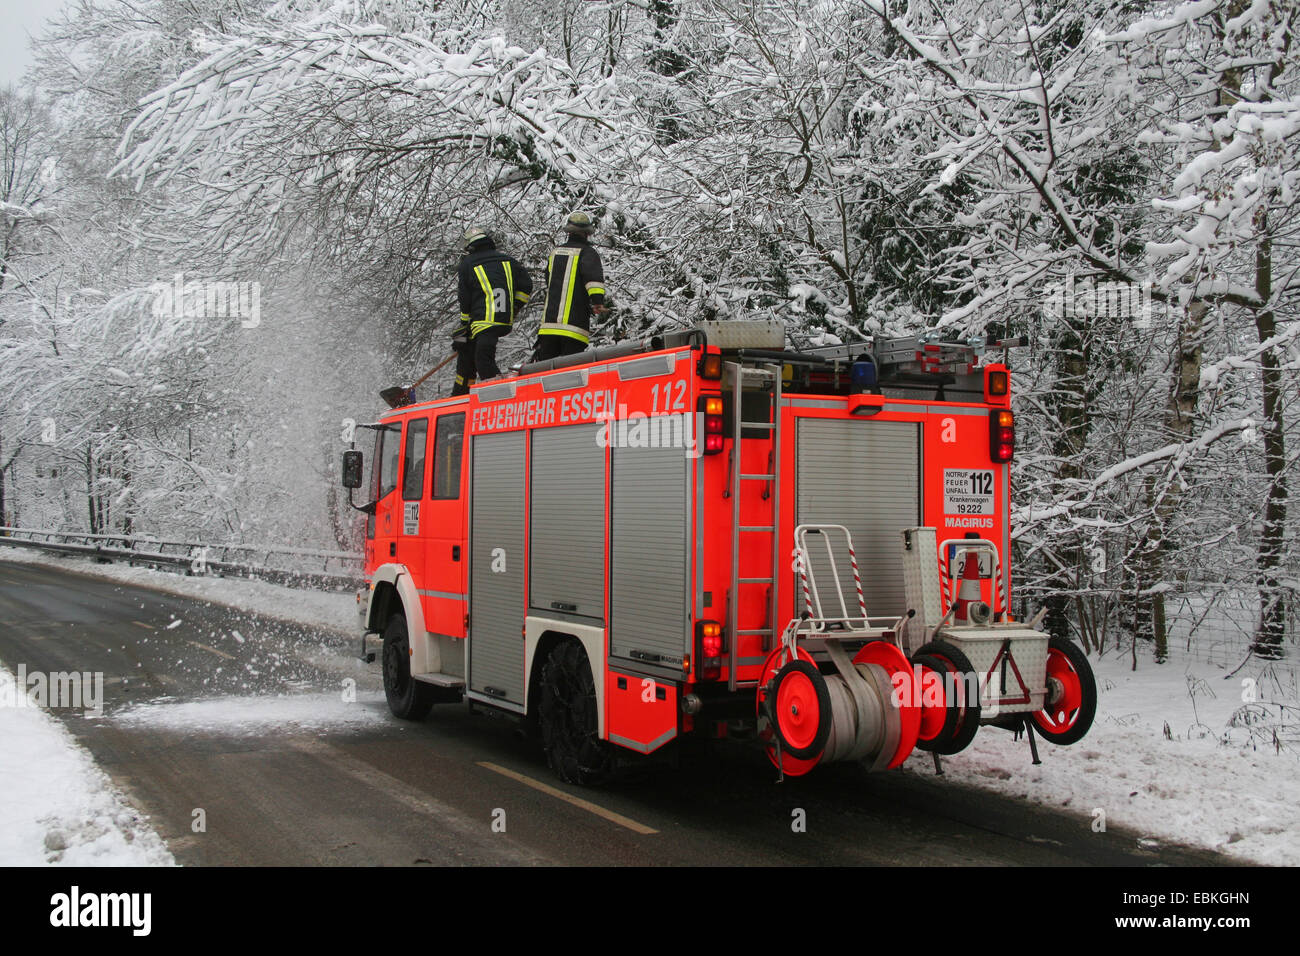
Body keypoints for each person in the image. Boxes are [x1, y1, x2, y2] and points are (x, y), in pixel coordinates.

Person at [452, 226, 533, 396]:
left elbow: (464, 298)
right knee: (470, 354)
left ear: (470, 247)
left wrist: (464, 325)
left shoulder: (467, 264)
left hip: (483, 320)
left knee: (483, 358)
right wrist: (515, 307)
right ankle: (460, 394)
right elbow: (527, 285)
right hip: (503, 319)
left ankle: (499, 394)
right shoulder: (508, 260)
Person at [532, 211, 608, 363]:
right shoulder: (588, 253)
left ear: (569, 232)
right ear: (587, 234)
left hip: (549, 325)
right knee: (570, 370)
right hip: (574, 326)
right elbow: (594, 281)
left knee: (546, 370)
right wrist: (598, 302)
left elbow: (549, 281)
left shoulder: (555, 252)